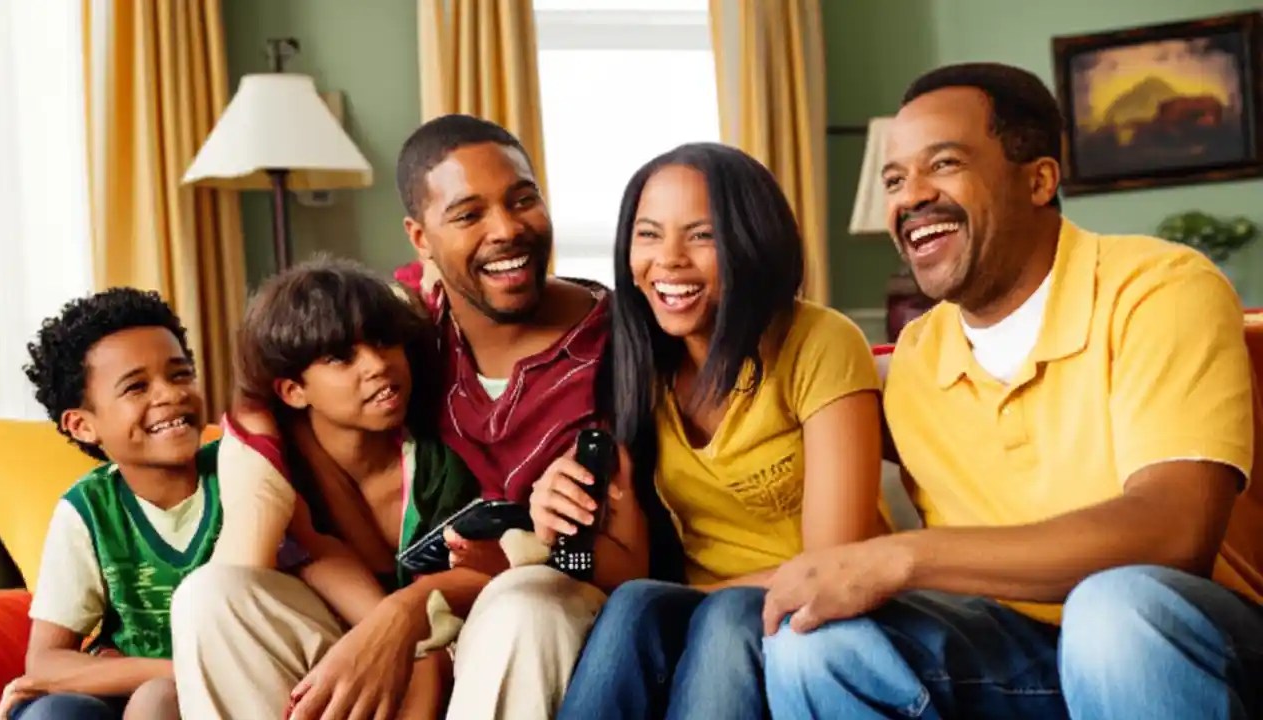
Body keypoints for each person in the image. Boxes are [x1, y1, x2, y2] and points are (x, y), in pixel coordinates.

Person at [761, 62, 1263, 720]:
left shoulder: (1159, 289)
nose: (910, 197)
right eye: (894, 179)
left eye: (942, 164)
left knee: (1110, 612)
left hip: (1175, 645)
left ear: (1039, 179)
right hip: (1016, 656)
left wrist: (902, 558)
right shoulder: (913, 356)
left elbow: (1175, 529)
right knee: (810, 642)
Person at [172, 114, 650, 720]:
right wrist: (384, 623)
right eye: (468, 214)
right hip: (400, 611)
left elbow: (621, 558)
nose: (505, 229)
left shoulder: (622, 348)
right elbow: (269, 379)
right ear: (421, 240)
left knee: (523, 602)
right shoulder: (410, 324)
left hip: (520, 607)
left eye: (523, 199)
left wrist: (413, 615)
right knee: (212, 596)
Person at [556, 143, 884, 720]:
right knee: (637, 602)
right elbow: (627, 571)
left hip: (826, 610)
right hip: (708, 615)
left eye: (702, 236)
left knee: (715, 614)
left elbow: (833, 562)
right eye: (649, 234)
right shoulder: (639, 366)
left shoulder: (821, 342)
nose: (669, 260)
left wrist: (683, 602)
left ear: (751, 242)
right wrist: (563, 525)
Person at [172, 258, 483, 720]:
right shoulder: (279, 463)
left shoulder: (438, 464)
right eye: (341, 357)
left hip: (439, 648)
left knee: (431, 662)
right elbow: (281, 563)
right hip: (327, 657)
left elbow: (474, 585)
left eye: (383, 342)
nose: (377, 365)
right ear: (294, 390)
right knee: (206, 594)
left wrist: (396, 633)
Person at [0, 289, 217, 720]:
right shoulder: (89, 510)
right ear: (82, 425)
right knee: (51, 715)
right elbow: (45, 661)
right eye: (137, 386)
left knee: (160, 699)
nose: (170, 395)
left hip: (228, 687)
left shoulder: (241, 474)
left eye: (180, 375)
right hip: (130, 687)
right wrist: (177, 670)